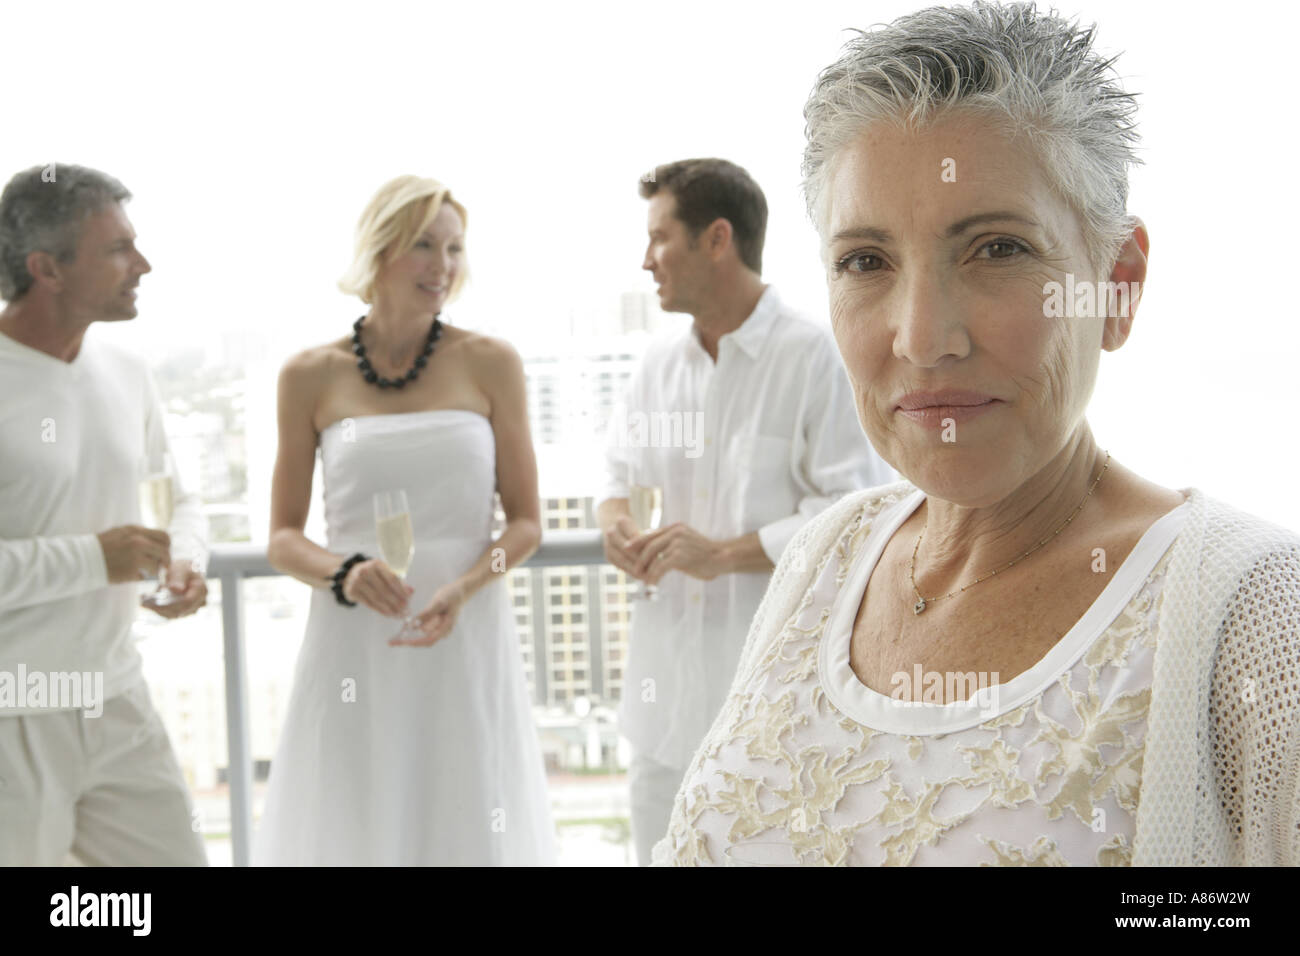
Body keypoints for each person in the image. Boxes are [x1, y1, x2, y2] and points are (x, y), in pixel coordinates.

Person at [652, 0, 1300, 867]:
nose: (923, 337)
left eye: (996, 249)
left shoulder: (1253, 613)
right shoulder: (823, 560)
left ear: (1118, 285)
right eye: (866, 262)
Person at [597, 158, 895, 865]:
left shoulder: (814, 357)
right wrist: (615, 522)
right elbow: (618, 476)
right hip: (660, 709)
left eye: (659, 237)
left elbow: (853, 510)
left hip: (771, 711)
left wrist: (725, 554)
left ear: (716, 239)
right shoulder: (654, 367)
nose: (646, 261)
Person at [254, 175, 555, 865]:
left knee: (467, 811)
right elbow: (281, 538)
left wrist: (467, 586)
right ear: (381, 249)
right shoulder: (308, 374)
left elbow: (527, 525)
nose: (444, 265)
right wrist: (346, 571)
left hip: (463, 630)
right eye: (425, 245)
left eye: (454, 248)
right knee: (355, 819)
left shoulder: (491, 362)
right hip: (354, 636)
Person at [0, 164, 210, 866]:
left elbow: (178, 499)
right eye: (117, 249)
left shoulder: (126, 370)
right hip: (13, 711)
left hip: (116, 698)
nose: (142, 265)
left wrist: (185, 562)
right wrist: (97, 559)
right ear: (46, 269)